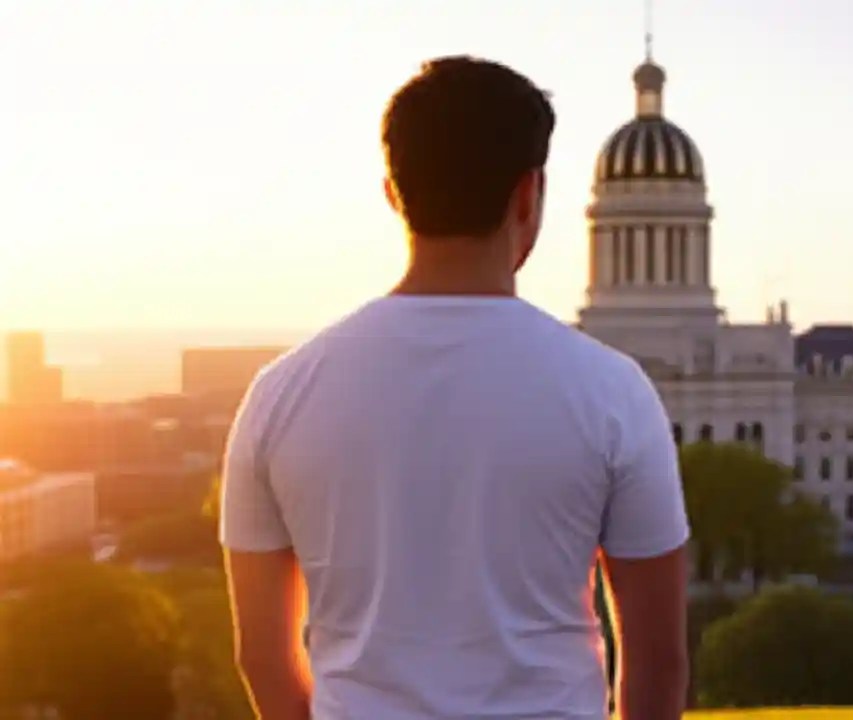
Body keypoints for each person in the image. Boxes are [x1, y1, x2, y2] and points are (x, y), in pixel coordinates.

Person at [220, 56, 689, 720]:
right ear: (529, 195)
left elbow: (263, 659)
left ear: (393, 193)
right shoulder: (614, 393)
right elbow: (657, 663)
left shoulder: (279, 396)